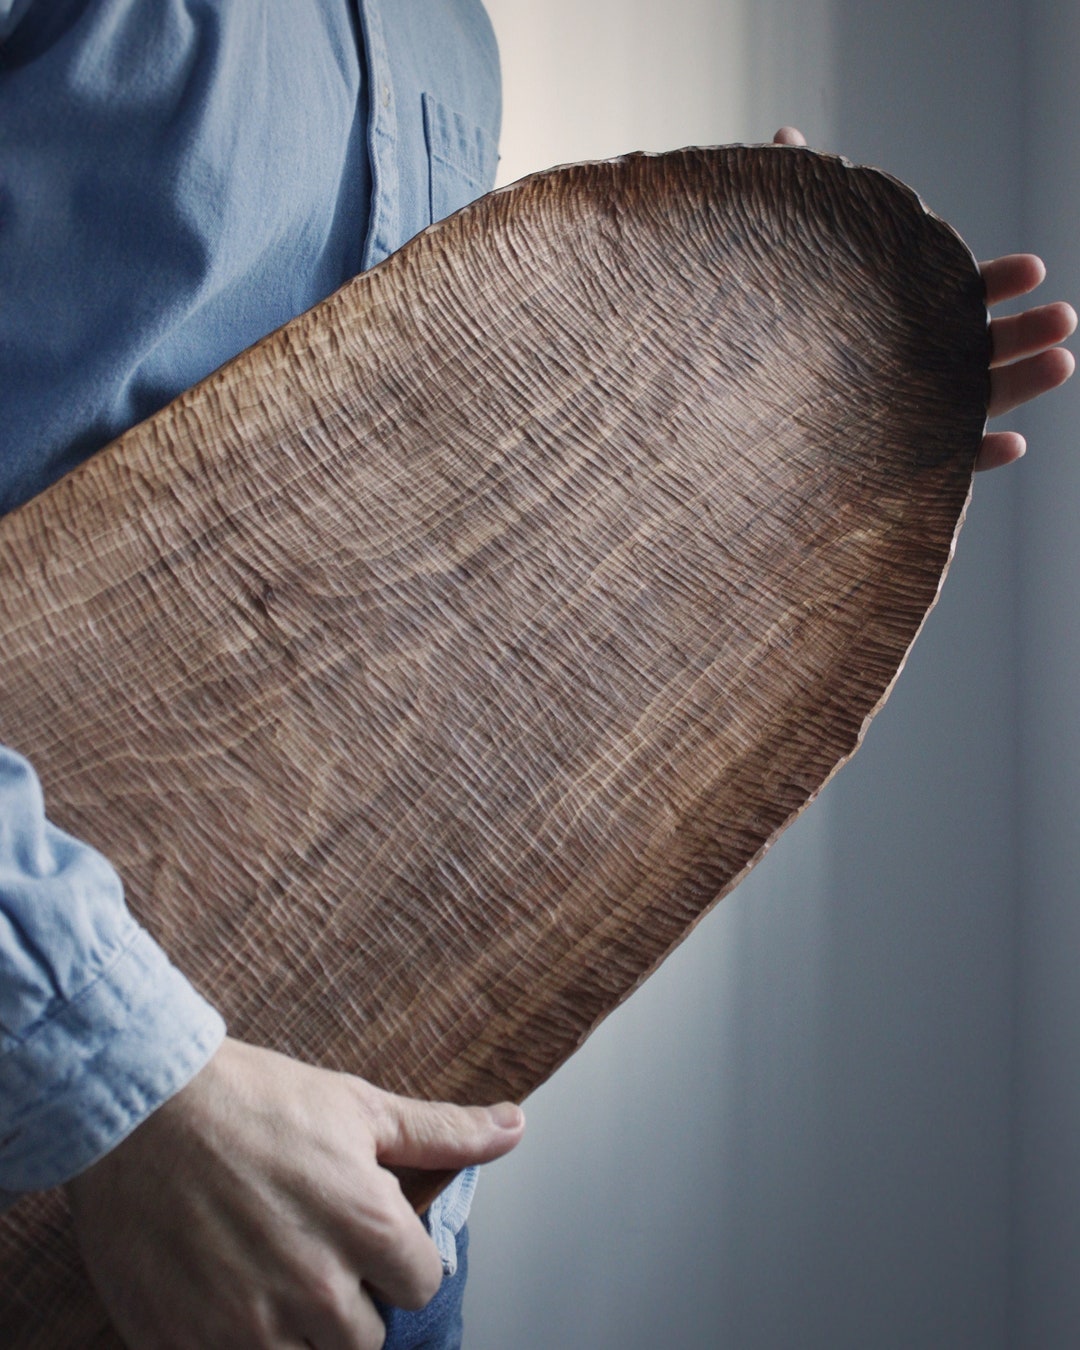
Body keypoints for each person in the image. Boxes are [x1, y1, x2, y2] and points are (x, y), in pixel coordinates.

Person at [0, 6, 1073, 1350]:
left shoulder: (450, 37)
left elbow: (372, 547)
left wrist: (728, 408)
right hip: (101, 1149)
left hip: (366, 1219)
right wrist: (133, 1078)